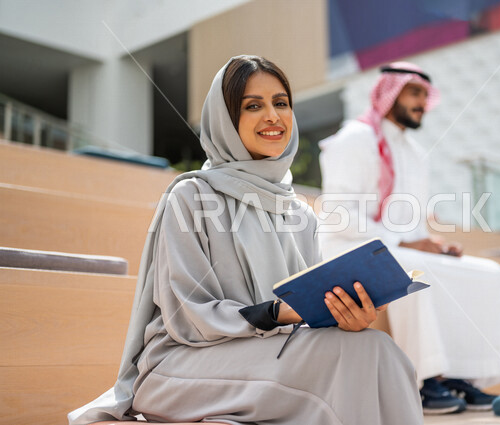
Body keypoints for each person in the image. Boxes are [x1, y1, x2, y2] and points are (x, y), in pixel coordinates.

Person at [68, 56, 423, 425]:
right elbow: (188, 321)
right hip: (180, 367)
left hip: (269, 354)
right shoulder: (191, 197)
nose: (273, 116)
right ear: (225, 120)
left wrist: (344, 316)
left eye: (281, 103)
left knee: (376, 347)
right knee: (350, 362)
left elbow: (307, 314)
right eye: (253, 105)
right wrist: (276, 312)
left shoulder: (299, 214)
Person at [319, 62, 500, 414]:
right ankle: (424, 382)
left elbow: (409, 224)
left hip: (392, 247)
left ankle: (462, 376)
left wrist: (435, 245)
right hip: (346, 247)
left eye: (424, 95)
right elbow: (337, 215)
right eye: (413, 93)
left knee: (489, 273)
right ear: (389, 93)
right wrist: (404, 243)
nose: (421, 102)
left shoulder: (415, 153)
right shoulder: (355, 138)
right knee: (412, 267)